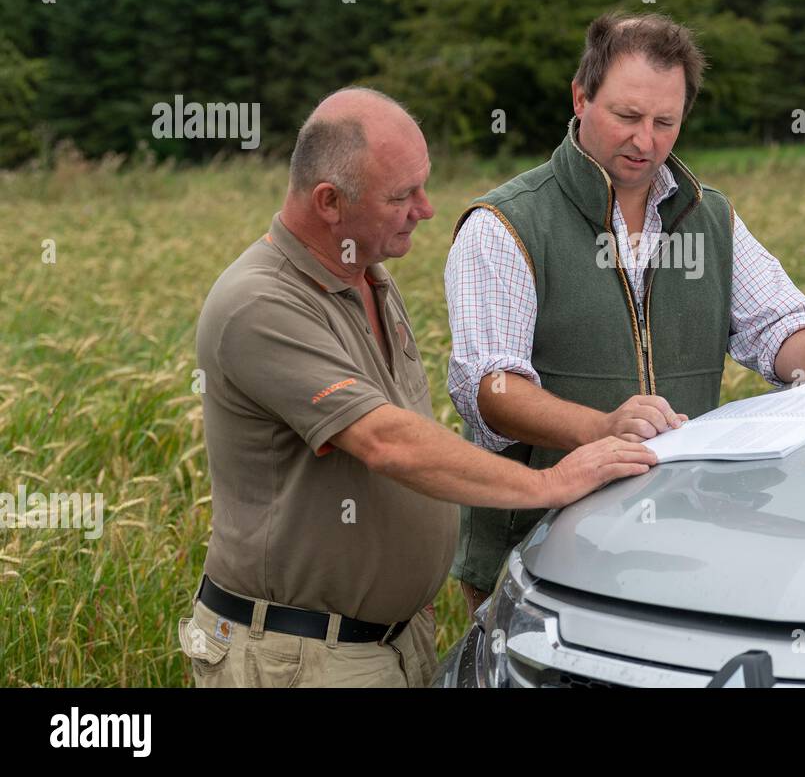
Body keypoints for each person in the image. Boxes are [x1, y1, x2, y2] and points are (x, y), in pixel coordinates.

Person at [179, 86, 654, 687]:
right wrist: (550, 482)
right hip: (300, 656)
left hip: (390, 643)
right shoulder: (259, 303)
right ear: (329, 202)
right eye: (402, 195)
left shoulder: (366, 276)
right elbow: (387, 440)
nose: (426, 210)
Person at [446, 13, 805, 612]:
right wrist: (601, 429)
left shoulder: (709, 217)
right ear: (580, 98)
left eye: (666, 122)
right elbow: (488, 388)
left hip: (686, 544)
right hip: (537, 553)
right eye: (627, 117)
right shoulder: (506, 225)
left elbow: (779, 329)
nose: (646, 141)